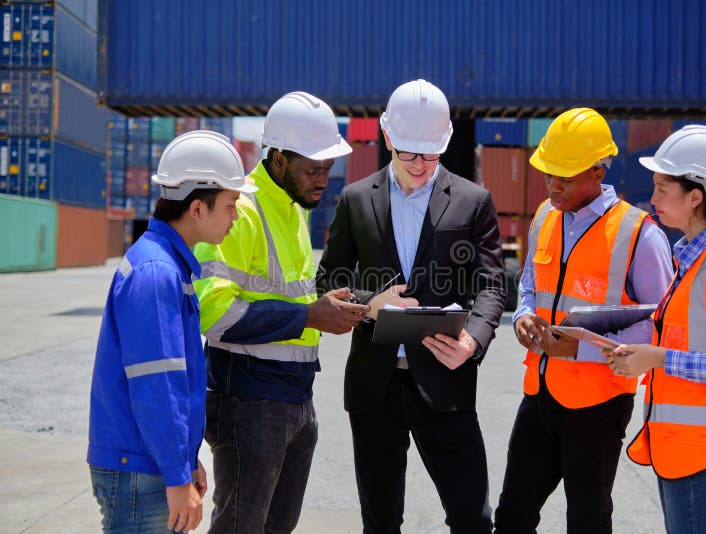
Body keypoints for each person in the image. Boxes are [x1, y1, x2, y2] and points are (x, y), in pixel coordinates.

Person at [316, 79, 506, 533]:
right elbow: (330, 279)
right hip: (374, 386)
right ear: (387, 139)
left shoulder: (473, 201)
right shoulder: (356, 199)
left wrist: (473, 341)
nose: (420, 165)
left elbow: (493, 284)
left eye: (431, 154)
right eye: (408, 153)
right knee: (380, 522)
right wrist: (370, 303)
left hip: (447, 378)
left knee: (472, 519)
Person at [193, 91, 368, 533]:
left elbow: (288, 296)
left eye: (328, 170)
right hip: (249, 403)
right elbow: (212, 314)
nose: (322, 180)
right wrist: (310, 316)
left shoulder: (292, 209)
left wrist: (331, 308)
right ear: (278, 160)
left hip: (295, 398)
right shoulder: (241, 211)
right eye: (313, 169)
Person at [494, 108, 674, 533]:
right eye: (548, 175)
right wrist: (521, 315)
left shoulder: (638, 234)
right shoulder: (544, 217)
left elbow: (663, 325)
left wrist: (581, 348)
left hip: (599, 403)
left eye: (565, 178)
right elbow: (530, 284)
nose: (553, 186)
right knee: (512, 515)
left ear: (597, 172)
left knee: (587, 521)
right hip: (540, 392)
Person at [605, 125, 706, 534]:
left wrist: (659, 358)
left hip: (703, 448)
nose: (654, 198)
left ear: (695, 196)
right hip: (681, 443)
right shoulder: (691, 259)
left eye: (663, 188)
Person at [87, 130, 257, 533]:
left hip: (148, 462)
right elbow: (157, 385)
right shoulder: (156, 274)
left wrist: (184, 459)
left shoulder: (167, 266)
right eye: (231, 206)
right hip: (140, 469)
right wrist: (176, 476)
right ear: (197, 208)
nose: (236, 217)